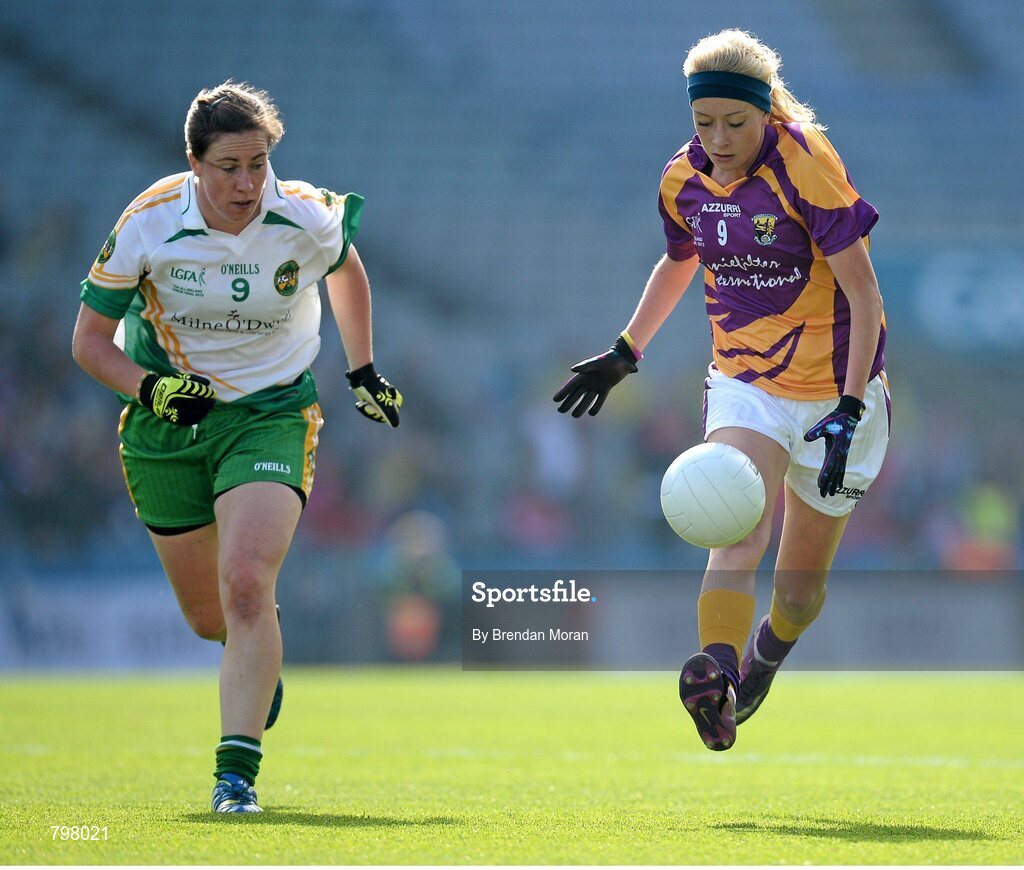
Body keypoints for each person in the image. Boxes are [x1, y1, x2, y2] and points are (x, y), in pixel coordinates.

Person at [554, 30, 889, 751]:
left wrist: (851, 404)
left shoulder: (805, 163)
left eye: (735, 122)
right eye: (703, 122)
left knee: (798, 593)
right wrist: (627, 349)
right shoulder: (682, 179)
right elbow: (680, 260)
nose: (719, 138)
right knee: (736, 523)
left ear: (764, 112)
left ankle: (765, 655)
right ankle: (718, 674)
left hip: (836, 391)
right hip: (747, 384)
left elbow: (865, 295)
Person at [71, 81, 402, 810]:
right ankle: (255, 651)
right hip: (168, 423)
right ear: (193, 162)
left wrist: (363, 370)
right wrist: (152, 390)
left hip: (271, 413)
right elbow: (88, 342)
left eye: (258, 163)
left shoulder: (303, 212)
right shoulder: (149, 221)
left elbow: (346, 266)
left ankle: (235, 778)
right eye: (228, 167)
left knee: (248, 582)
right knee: (209, 618)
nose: (248, 183)